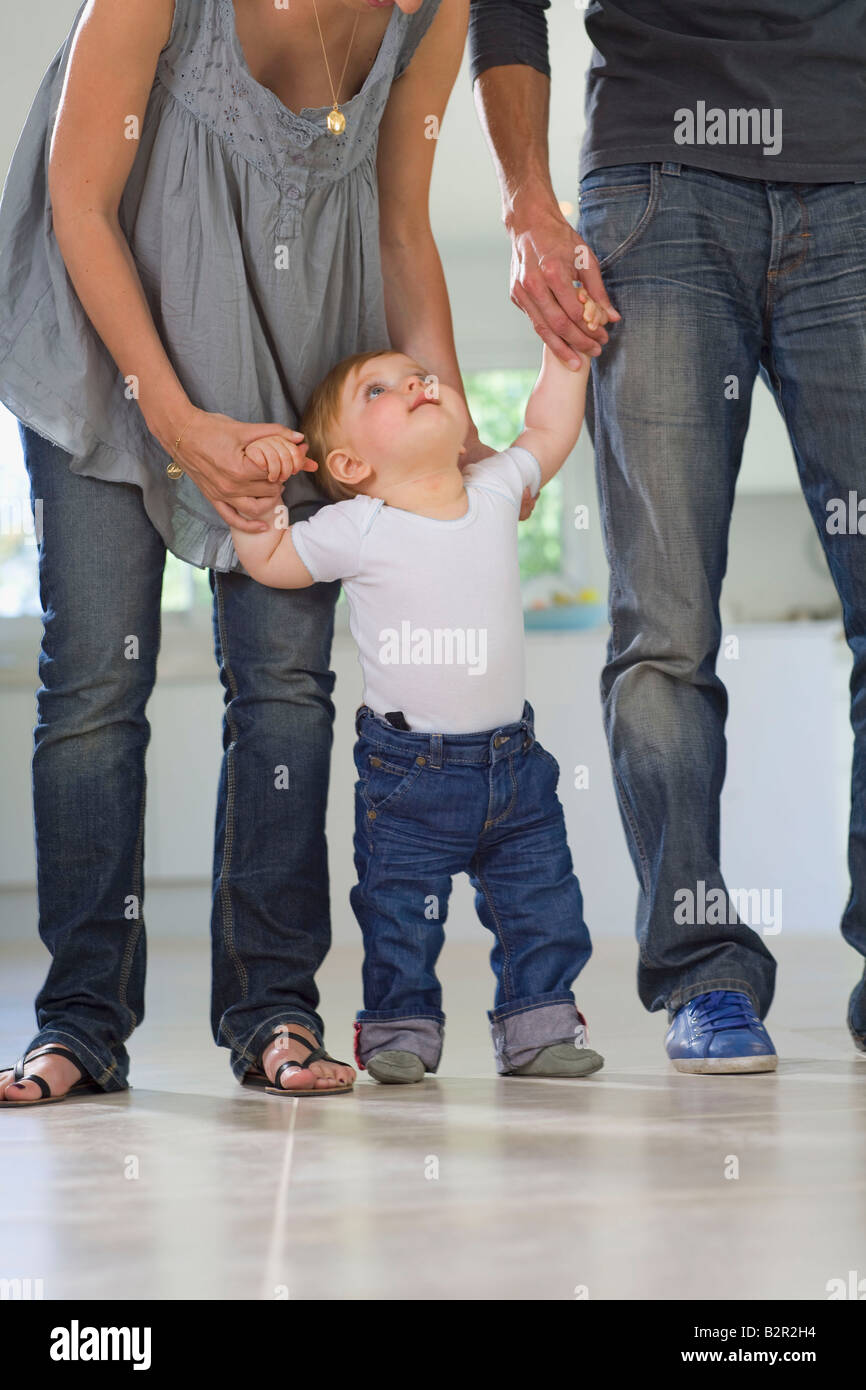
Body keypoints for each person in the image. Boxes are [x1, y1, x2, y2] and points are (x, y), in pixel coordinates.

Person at [0, 0, 483, 1105]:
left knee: (285, 689)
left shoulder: (434, 12)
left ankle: (273, 1007)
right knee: (93, 683)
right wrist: (175, 426)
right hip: (105, 345)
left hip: (291, 352)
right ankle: (79, 1020)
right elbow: (80, 202)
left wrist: (446, 410)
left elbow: (401, 223)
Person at [468, 0, 866, 1071]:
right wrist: (521, 202)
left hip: (853, 171)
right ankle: (702, 971)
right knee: (665, 628)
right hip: (658, 183)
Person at [226, 322, 608, 1080]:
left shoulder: (496, 485)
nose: (418, 384)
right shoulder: (357, 525)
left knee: (542, 903)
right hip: (408, 776)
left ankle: (539, 1026)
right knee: (400, 912)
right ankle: (400, 1031)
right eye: (383, 388)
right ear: (347, 464)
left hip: (514, 765)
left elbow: (549, 425)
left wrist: (563, 355)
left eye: (420, 377)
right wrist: (261, 491)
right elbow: (270, 559)